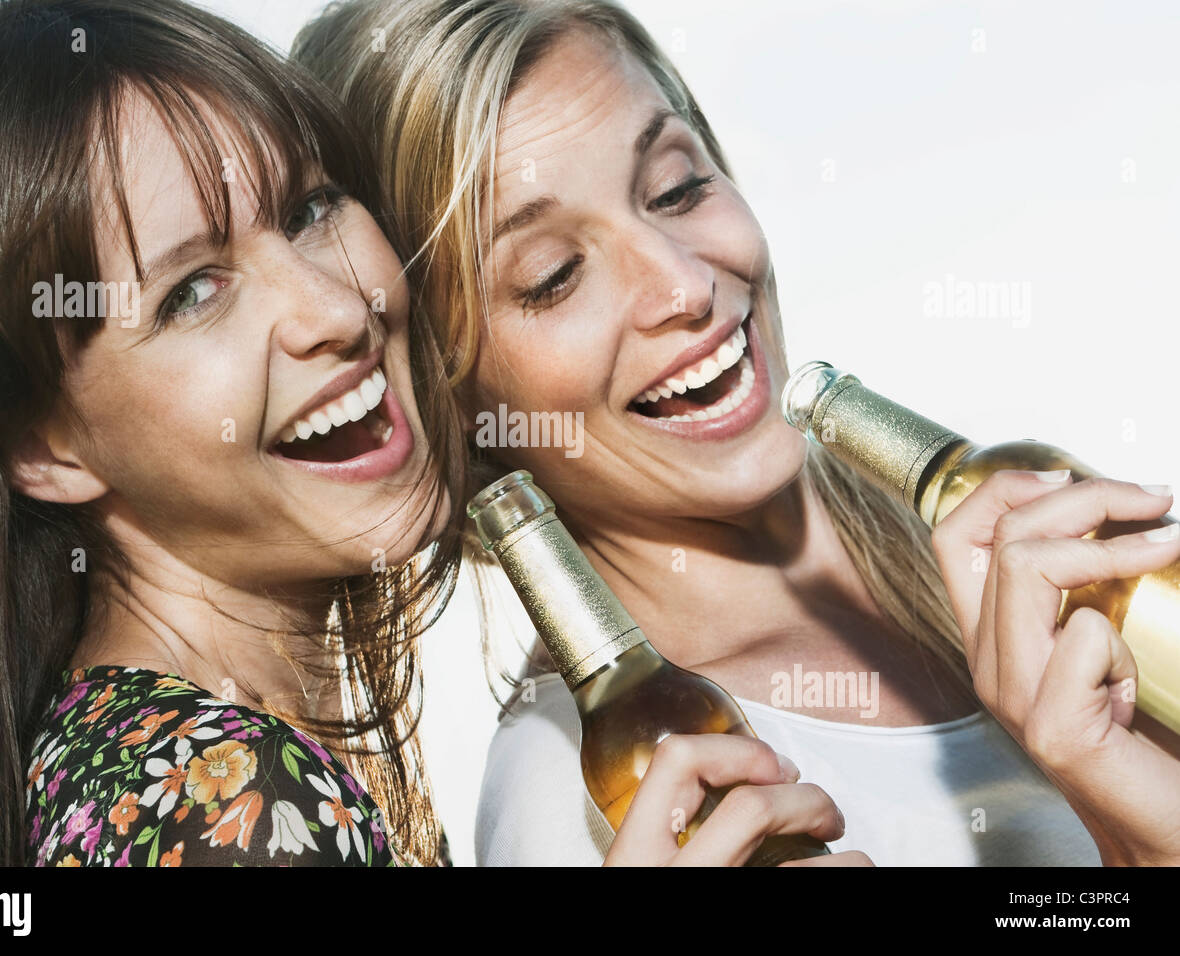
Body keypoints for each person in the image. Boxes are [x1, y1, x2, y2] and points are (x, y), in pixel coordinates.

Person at [294, 0, 1180, 866]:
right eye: (555, 275)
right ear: (450, 396)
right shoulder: (587, 797)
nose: (683, 285)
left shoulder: (1009, 551)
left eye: (677, 189)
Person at [0, 0, 470, 866]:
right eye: (191, 291)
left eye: (310, 209)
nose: (338, 311)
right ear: (44, 450)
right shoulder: (240, 807)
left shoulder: (127, 759)